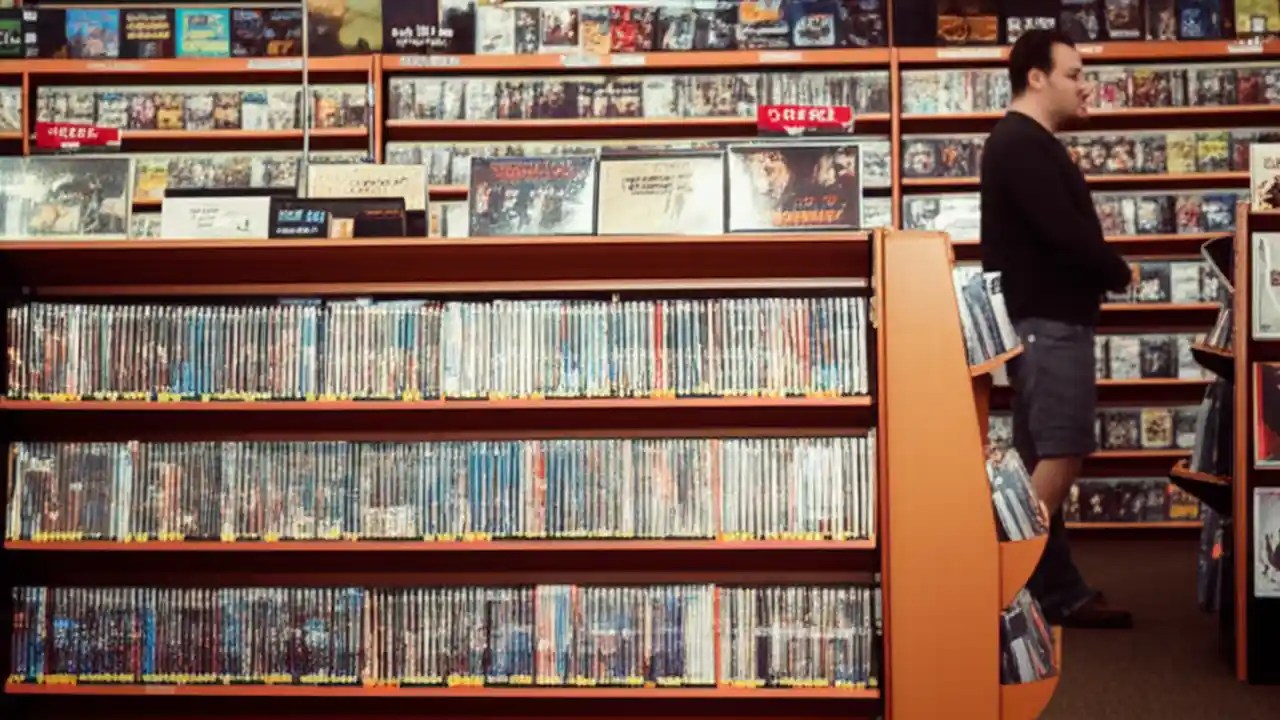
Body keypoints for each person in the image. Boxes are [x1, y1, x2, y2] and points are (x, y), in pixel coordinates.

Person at [979, 29, 1135, 628]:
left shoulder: (1027, 143)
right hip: (1048, 322)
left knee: (1040, 453)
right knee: (1061, 453)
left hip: (1043, 321)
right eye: (1073, 74)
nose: (1084, 84)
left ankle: (1054, 590)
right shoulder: (1021, 145)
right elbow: (1063, 233)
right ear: (1036, 77)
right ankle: (993, 581)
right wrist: (1117, 270)